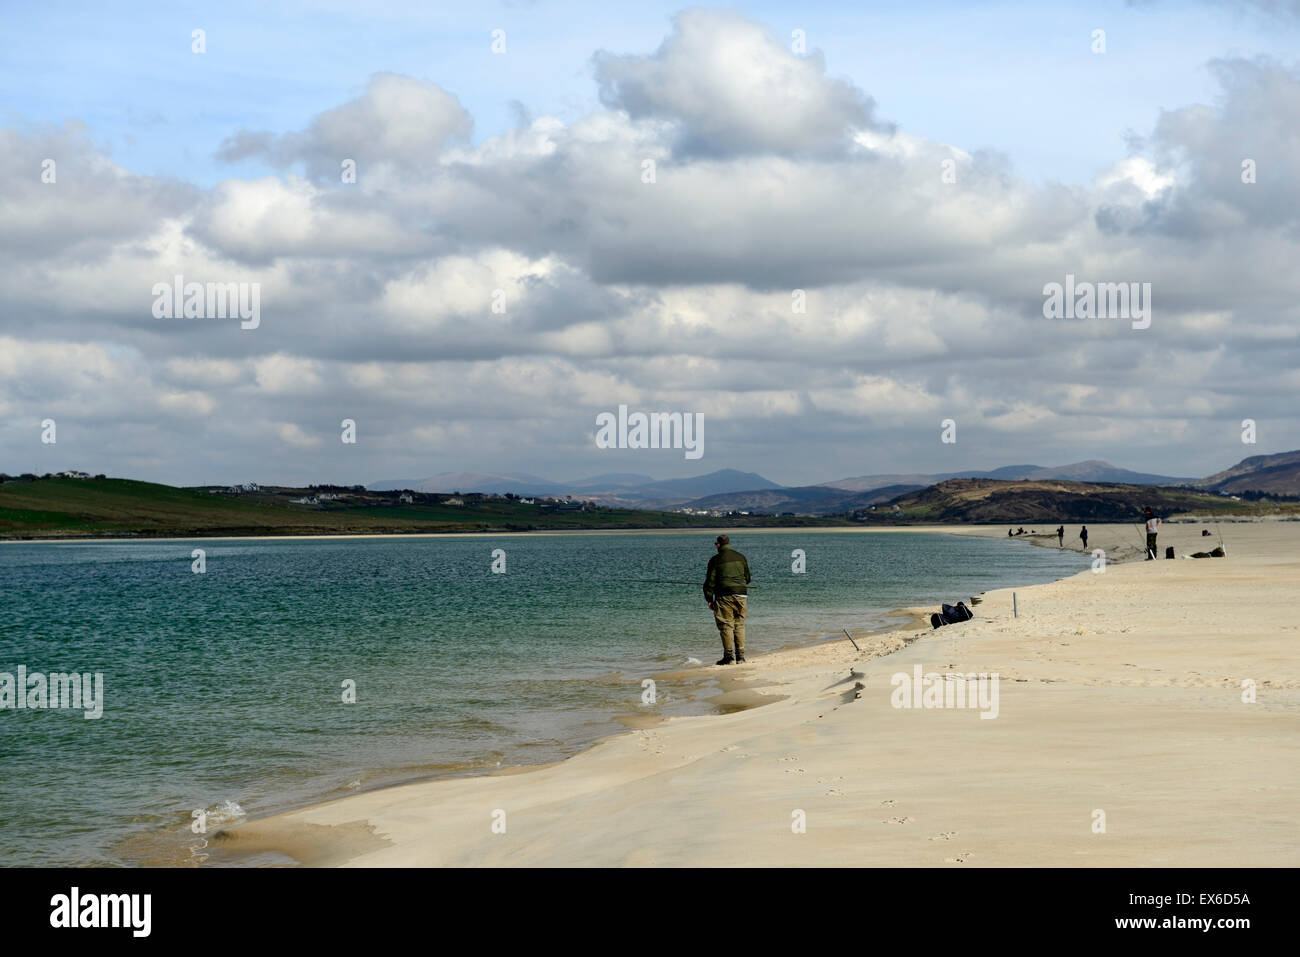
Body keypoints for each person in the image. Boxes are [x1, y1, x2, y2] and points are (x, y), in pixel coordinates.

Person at [703, 534, 751, 665]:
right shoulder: (741, 557)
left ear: (718, 545)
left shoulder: (715, 560)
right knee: (739, 625)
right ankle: (741, 657)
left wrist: (709, 598)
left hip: (724, 596)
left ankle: (729, 657)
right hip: (742, 595)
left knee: (726, 625)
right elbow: (747, 578)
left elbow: (710, 582)